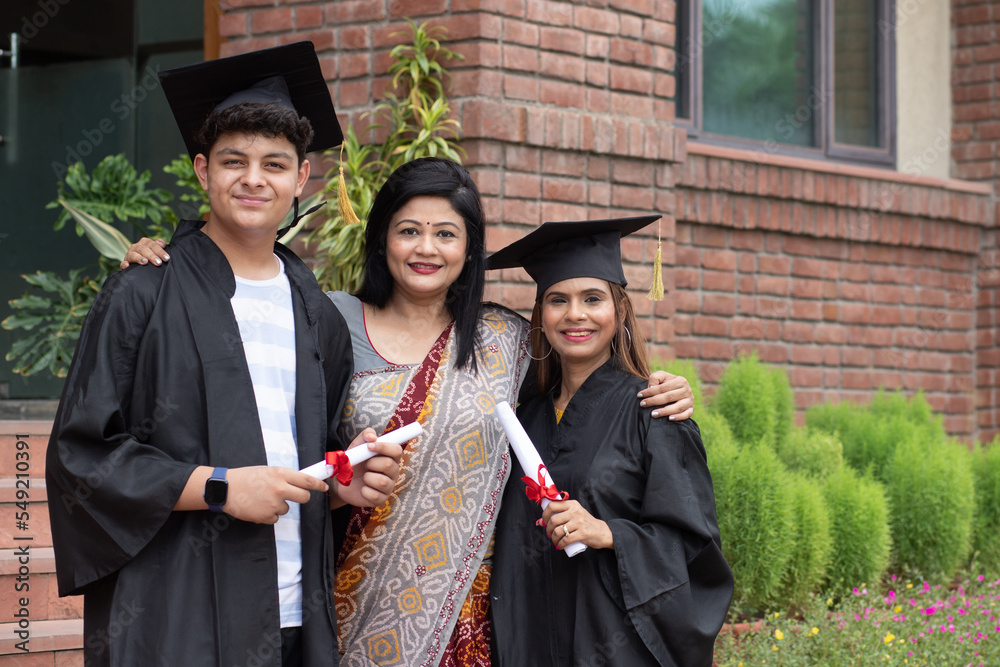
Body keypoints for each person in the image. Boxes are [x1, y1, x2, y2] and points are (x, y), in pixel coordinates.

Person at [122, 158, 696, 667]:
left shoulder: (509, 340)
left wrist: (666, 387)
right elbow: (272, 418)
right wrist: (169, 267)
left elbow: (583, 379)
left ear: (469, 248)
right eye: (409, 231)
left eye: (446, 233)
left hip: (472, 620)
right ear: (381, 240)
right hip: (349, 600)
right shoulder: (323, 320)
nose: (427, 248)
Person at [46, 42, 402, 667]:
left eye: (274, 163)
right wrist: (216, 487)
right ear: (202, 170)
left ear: (301, 179)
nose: (254, 179)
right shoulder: (142, 292)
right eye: (234, 161)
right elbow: (81, 456)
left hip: (296, 613)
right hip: (179, 616)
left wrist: (344, 485)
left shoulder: (315, 311)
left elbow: (311, 454)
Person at [487, 216, 734, 667]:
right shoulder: (525, 417)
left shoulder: (655, 413)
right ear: (541, 314)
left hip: (613, 650)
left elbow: (694, 552)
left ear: (619, 311)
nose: (575, 314)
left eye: (593, 298)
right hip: (528, 644)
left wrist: (608, 533)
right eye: (557, 300)